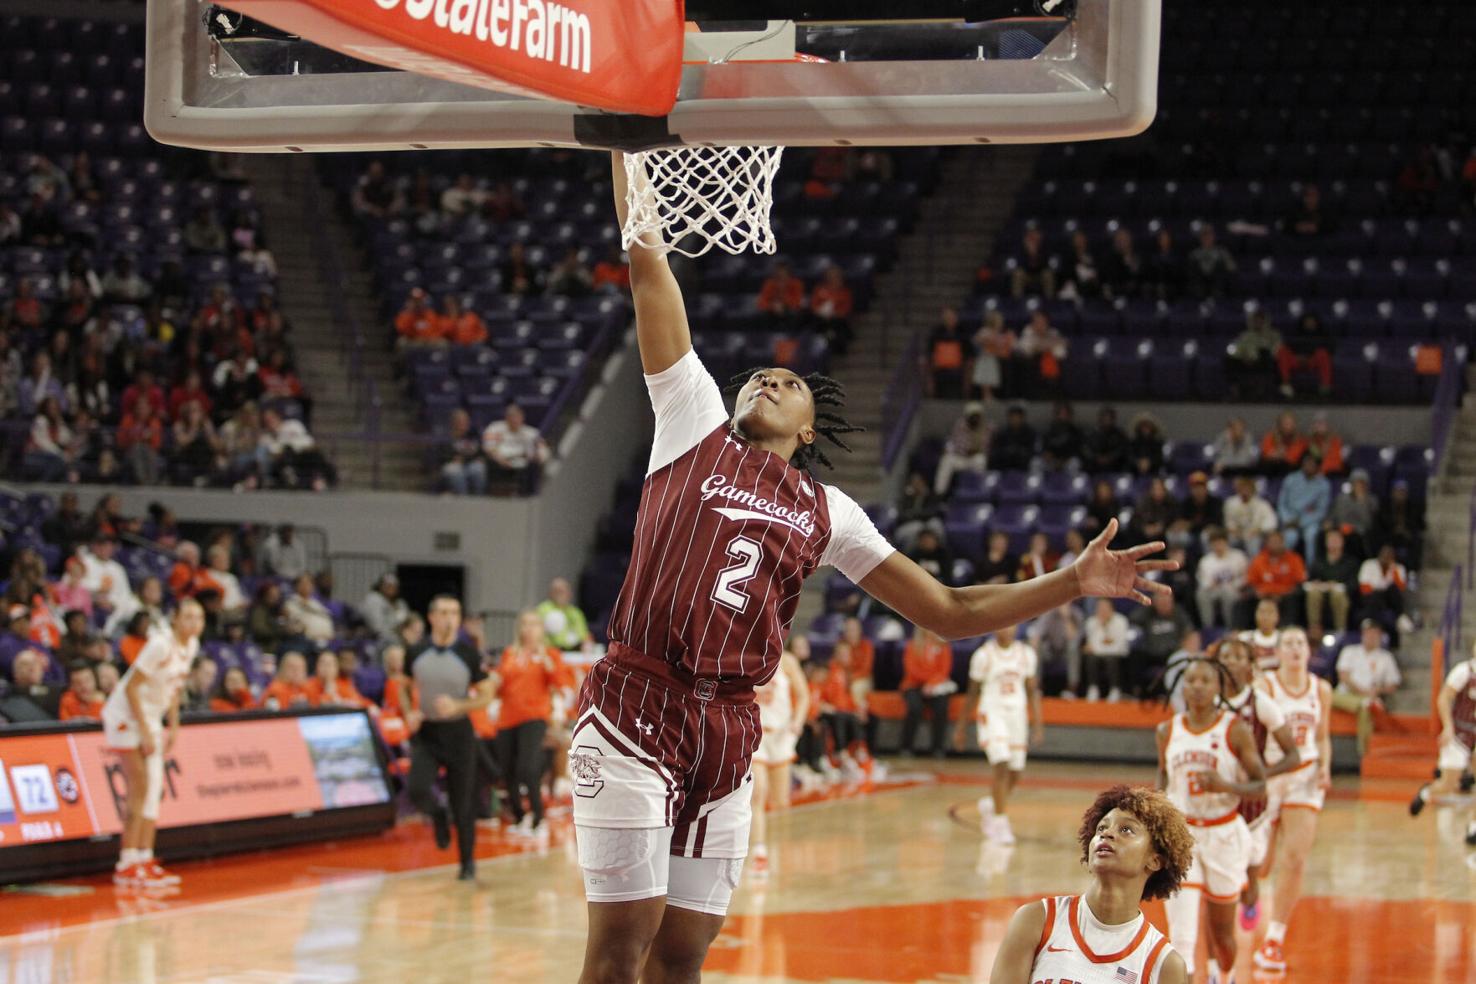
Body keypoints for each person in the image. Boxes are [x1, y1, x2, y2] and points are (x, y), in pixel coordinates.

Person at [566, 154, 1173, 984]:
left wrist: (1070, 581)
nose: (770, 379)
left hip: (729, 726)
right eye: (761, 375)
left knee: (681, 960)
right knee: (615, 956)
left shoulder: (829, 510)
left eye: (789, 382)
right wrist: (624, 139)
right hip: (639, 704)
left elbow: (952, 610)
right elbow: (647, 265)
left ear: (811, 429)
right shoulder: (693, 423)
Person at [988, 785, 1189, 984]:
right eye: (1102, 827)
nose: (1107, 834)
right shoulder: (1037, 921)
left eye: (1126, 829)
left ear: (1155, 860)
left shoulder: (1164, 965)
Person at [1157, 658, 1266, 984]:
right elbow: (1164, 782)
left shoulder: (1236, 729)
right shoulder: (1167, 730)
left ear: (1219, 687)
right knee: (1182, 939)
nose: (1198, 686)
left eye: (1206, 680)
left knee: (1222, 936)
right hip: (1184, 835)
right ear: (1183, 687)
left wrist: (1226, 786)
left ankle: (1225, 974)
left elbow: (1260, 785)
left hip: (1223, 834)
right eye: (1192, 680)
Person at [103, 599, 204, 889]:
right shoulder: (160, 644)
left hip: (150, 717)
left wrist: (173, 724)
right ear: (175, 619)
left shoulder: (191, 646)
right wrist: (147, 731)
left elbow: (174, 689)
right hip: (126, 716)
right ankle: (126, 862)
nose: (193, 622)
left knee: (153, 789)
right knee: (140, 787)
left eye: (198, 617)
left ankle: (144, 858)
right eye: (187, 616)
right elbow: (133, 686)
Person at [1253, 628, 1332, 975]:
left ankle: (1274, 938)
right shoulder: (1266, 686)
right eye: (1289, 643)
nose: (1296, 649)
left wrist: (1325, 766)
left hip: (1304, 777)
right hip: (1271, 775)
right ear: (1279, 651)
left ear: (1308, 651)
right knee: (1263, 865)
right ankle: (1250, 894)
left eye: (1300, 643)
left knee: (1296, 857)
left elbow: (1322, 736)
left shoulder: (1321, 689)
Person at [1211, 637, 1300, 933]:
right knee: (1219, 877)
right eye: (1226, 655)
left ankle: (1250, 900)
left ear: (1249, 666)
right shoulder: (1207, 701)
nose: (1231, 661)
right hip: (1217, 802)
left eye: (1238, 656)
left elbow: (1293, 754)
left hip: (1253, 806)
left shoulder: (1261, 704)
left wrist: (1265, 774)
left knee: (1251, 875)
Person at [407, 595, 496, 880]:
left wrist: (460, 705)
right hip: (428, 733)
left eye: (455, 614)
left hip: (459, 734)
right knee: (416, 789)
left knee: (463, 802)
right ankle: (437, 816)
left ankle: (467, 864)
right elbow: (402, 686)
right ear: (431, 617)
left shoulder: (468, 654)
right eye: (443, 613)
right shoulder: (416, 651)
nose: (449, 619)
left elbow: (487, 694)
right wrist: (410, 710)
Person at [957, 624, 1042, 845]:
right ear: (995, 628)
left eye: (1013, 625)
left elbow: (1032, 690)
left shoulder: (1026, 654)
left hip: (1017, 716)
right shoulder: (983, 655)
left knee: (1016, 772)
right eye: (1005, 625)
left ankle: (991, 803)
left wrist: (1038, 723)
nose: (1008, 629)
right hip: (992, 713)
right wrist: (961, 726)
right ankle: (999, 821)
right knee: (1001, 764)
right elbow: (972, 692)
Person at [492, 611, 573, 837]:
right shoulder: (510, 654)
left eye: (534, 625)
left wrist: (546, 662)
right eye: (525, 625)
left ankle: (538, 818)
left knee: (527, 768)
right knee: (507, 771)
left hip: (534, 717)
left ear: (541, 630)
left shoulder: (550, 654)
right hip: (507, 717)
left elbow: (560, 683)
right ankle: (519, 816)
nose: (529, 629)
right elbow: (499, 686)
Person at [748, 640, 809, 879]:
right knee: (758, 794)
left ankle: (772, 849)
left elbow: (804, 696)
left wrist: (798, 721)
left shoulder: (789, 661)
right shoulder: (748, 657)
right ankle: (759, 853)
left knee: (780, 802)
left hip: (782, 735)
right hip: (757, 735)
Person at [1408, 643, 1476, 846]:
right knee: (1448, 784)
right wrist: (1447, 727)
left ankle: (1473, 827)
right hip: (1459, 732)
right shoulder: (1464, 671)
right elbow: (1444, 698)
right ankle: (1426, 792)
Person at [1332, 620, 1400, 756]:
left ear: (1380, 636)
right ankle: (1365, 752)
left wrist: (1378, 690)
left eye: (1375, 633)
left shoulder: (1386, 657)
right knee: (1362, 702)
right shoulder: (1350, 651)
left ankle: (1364, 752)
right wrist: (1363, 692)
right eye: (1368, 633)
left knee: (1366, 706)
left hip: (1368, 697)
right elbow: (1343, 676)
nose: (1371, 636)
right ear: (1362, 634)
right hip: (1343, 695)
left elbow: (1393, 684)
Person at [899, 626, 956, 757]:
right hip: (913, 685)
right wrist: (927, 681)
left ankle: (938, 748)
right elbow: (911, 669)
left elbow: (944, 671)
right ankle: (906, 747)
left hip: (936, 687)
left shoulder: (944, 646)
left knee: (941, 708)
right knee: (914, 708)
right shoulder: (913, 644)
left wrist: (931, 684)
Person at [481, 403, 550, 495]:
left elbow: (543, 450)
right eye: (511, 417)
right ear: (506, 418)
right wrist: (501, 460)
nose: (514, 420)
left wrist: (539, 457)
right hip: (500, 461)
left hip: (524, 462)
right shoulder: (495, 428)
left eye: (517, 417)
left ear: (522, 418)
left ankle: (529, 495)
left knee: (534, 468)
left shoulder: (531, 432)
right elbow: (488, 447)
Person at [1303, 528, 1359, 636]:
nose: (1333, 542)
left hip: (1342, 595)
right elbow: (1308, 582)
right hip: (1322, 594)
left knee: (1337, 595)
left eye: (1336, 539)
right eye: (1330, 539)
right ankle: (1314, 629)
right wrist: (1318, 584)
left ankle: (1340, 631)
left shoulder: (1350, 562)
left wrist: (1336, 586)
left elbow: (1353, 584)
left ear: (1342, 542)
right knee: (1313, 593)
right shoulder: (1319, 562)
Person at [1277, 452, 1331, 562]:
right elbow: (1281, 504)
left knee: (1311, 535)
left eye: (1312, 463)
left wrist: (1301, 522)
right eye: (1307, 462)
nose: (1309, 466)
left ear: (1317, 466)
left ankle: (1310, 571)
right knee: (1290, 537)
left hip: (1310, 521)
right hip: (1290, 520)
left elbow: (1321, 511)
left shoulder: (1323, 484)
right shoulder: (1291, 479)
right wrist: (1287, 519)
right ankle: (1283, 567)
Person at [1247, 530, 1307, 628]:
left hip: (1286, 594)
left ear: (1283, 542)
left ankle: (1287, 627)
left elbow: (1299, 581)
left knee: (1293, 599)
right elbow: (1251, 581)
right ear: (1266, 544)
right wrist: (1257, 592)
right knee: (1242, 602)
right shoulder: (1259, 560)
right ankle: (1240, 630)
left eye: (1277, 541)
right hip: (1264, 594)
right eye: (1272, 542)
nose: (1275, 544)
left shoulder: (1294, 558)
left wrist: (1282, 594)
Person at [1197, 527, 1250, 630]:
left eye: (1220, 542)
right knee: (1201, 594)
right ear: (1210, 545)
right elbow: (1203, 582)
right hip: (1214, 590)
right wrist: (1211, 584)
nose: (1218, 546)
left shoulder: (1238, 556)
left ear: (1226, 542)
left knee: (1227, 592)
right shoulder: (1206, 561)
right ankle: (1208, 628)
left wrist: (1235, 585)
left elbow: (1246, 577)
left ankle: (1231, 627)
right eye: (1214, 543)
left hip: (1235, 589)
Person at [1358, 544, 1415, 637]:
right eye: (1384, 555)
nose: (1386, 558)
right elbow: (1364, 588)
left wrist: (1392, 570)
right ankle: (1368, 620)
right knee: (1375, 596)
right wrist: (1379, 587)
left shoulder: (1398, 568)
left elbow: (1400, 588)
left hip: (1389, 598)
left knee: (1393, 589)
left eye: (1389, 555)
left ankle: (1400, 617)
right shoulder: (1369, 565)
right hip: (1371, 597)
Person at [934, 402, 989, 496]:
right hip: (960, 457)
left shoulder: (986, 427)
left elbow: (986, 447)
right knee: (947, 460)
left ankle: (978, 491)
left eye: (977, 416)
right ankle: (939, 494)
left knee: (981, 460)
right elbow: (955, 443)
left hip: (974, 458)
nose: (975, 418)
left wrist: (976, 449)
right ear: (967, 416)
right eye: (972, 416)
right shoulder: (960, 425)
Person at [1083, 598, 1130, 702]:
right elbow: (1091, 645)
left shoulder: (1121, 621)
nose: (1102, 610)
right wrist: (1101, 626)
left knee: (1110, 659)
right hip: (1099, 655)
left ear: (1112, 608)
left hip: (1118, 655)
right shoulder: (1092, 622)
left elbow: (1118, 647)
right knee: (1091, 658)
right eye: (1099, 608)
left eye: (1105, 607)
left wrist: (1098, 649)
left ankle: (1115, 689)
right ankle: (1093, 688)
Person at [922, 306, 974, 399]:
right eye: (947, 318)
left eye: (952, 317)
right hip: (940, 371)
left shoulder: (962, 333)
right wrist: (929, 379)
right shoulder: (936, 332)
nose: (950, 320)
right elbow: (929, 352)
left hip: (957, 371)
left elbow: (969, 354)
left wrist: (968, 378)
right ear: (943, 319)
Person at [1223, 476, 1278, 558]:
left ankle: (1253, 566)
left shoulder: (1262, 504)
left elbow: (1271, 522)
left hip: (1255, 534)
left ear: (1253, 490)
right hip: (1237, 534)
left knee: (1252, 542)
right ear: (1238, 490)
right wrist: (1233, 530)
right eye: (1242, 488)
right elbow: (1228, 521)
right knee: (1229, 540)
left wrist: (1258, 530)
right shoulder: (1231, 503)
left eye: (1247, 488)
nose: (1245, 491)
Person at [536, 576, 593, 653]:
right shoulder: (543, 609)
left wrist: (586, 644)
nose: (560, 594)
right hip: (551, 650)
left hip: (574, 651)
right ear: (550, 593)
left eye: (563, 591)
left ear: (569, 594)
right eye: (557, 591)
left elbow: (584, 636)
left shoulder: (576, 612)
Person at [361, 573, 410, 644]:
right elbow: (377, 628)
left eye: (394, 585)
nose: (391, 588)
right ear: (380, 586)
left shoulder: (401, 603)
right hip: (376, 641)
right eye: (388, 585)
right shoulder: (373, 599)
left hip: (398, 641)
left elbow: (408, 623)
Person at [1239, 598, 1284, 671]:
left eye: (1270, 612)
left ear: (1277, 616)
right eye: (1262, 612)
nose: (1265, 616)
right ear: (1255, 614)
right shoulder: (1245, 639)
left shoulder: (1285, 640)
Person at [1259, 412, 1307, 477]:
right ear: (1279, 425)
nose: (1288, 426)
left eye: (1291, 424)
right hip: (1270, 474)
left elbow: (1293, 460)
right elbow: (1265, 455)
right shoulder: (1270, 437)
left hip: (1292, 475)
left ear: (1295, 425)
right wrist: (1275, 455)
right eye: (1286, 424)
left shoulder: (1300, 441)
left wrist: (1281, 456)